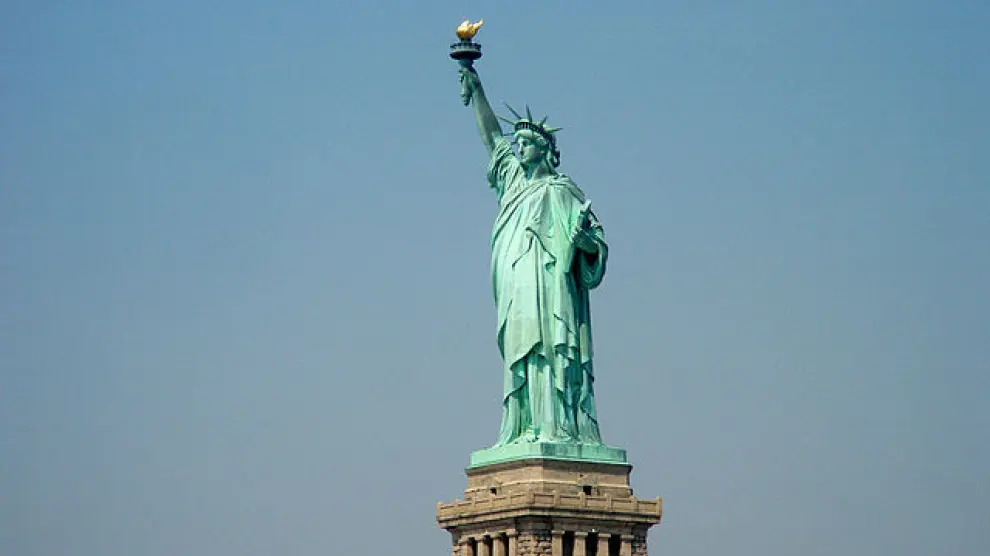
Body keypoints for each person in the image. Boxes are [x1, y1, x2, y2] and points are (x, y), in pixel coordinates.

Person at [459, 66, 608, 446]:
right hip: (516, 284)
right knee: (522, 352)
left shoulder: (563, 191)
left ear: (544, 149)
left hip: (553, 287)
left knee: (552, 350)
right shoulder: (511, 183)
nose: (520, 147)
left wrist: (585, 243)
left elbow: (596, 246)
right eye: (519, 142)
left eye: (526, 142)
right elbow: (492, 138)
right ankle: (523, 426)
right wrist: (476, 88)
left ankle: (558, 426)